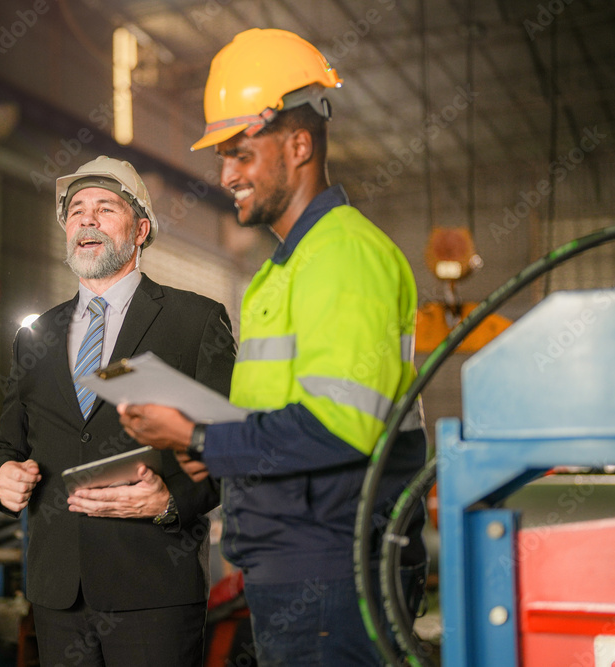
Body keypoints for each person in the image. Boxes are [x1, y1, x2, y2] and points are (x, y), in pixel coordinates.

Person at [117, 29, 427, 666]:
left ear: (299, 145)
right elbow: (286, 422)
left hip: (335, 573)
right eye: (222, 157)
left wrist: (198, 438)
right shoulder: (284, 270)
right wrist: (213, 454)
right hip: (300, 567)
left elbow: (341, 428)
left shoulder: (343, 256)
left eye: (242, 154)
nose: (226, 175)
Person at [0, 156, 235, 666]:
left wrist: (171, 500)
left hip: (154, 589)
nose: (87, 220)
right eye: (76, 210)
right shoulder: (35, 336)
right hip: (59, 591)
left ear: (140, 230)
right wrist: (2, 474)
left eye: (105, 208)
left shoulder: (194, 321)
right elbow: (8, 443)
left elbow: (231, 446)